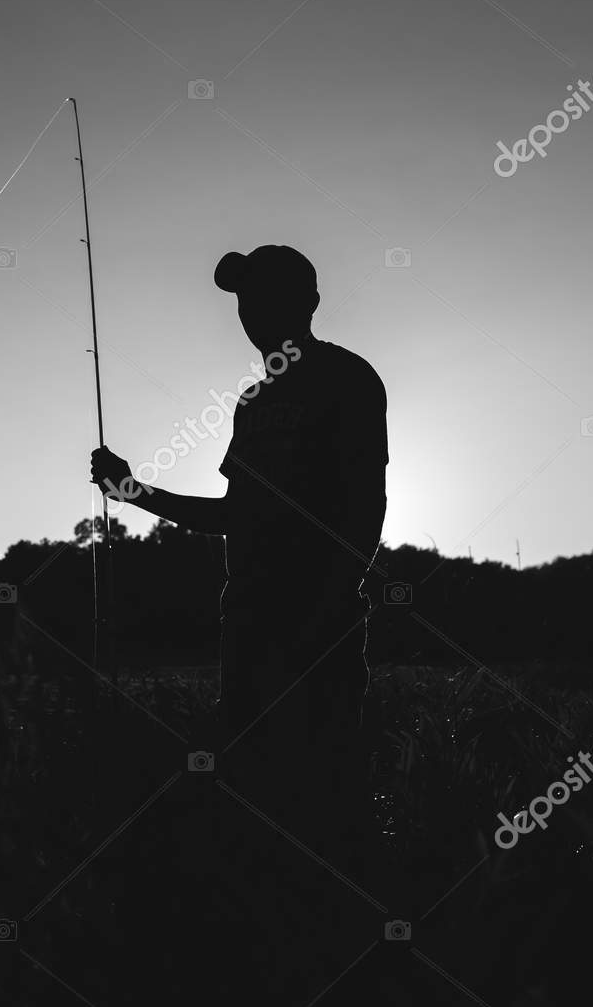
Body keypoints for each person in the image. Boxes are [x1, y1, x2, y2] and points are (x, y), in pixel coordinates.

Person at [89, 244, 388, 845]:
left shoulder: (347, 377)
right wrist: (132, 491)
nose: (250, 311)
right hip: (249, 620)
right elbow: (237, 514)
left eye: (264, 296)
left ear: (308, 303)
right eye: (244, 300)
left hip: (318, 620)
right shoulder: (253, 403)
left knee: (327, 784)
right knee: (253, 782)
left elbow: (366, 501)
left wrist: (333, 596)